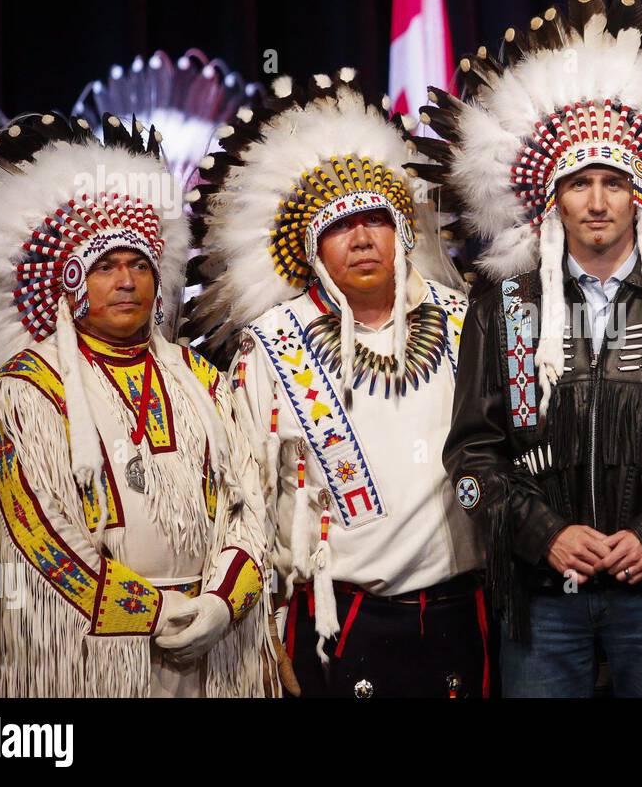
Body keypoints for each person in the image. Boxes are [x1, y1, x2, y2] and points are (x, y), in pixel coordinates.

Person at [430, 0, 642, 697]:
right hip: (543, 598)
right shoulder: (500, 310)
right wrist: (542, 534)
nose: (597, 200)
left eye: (614, 182)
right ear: (554, 199)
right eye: (579, 182)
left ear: (640, 196)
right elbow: (470, 460)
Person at [0, 113, 274, 697]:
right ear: (67, 282)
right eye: (104, 266)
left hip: (213, 645)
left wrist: (221, 602)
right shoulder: (27, 389)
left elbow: (248, 503)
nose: (127, 281)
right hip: (94, 654)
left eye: (140, 265)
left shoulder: (202, 380)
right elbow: (40, 533)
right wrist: (150, 611)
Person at [190, 69, 486, 698]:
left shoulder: (465, 322)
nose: (360, 238)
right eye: (339, 227)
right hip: (341, 622)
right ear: (310, 249)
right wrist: (265, 629)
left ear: (403, 232)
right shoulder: (270, 346)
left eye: (376, 219)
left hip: (465, 612)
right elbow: (250, 497)